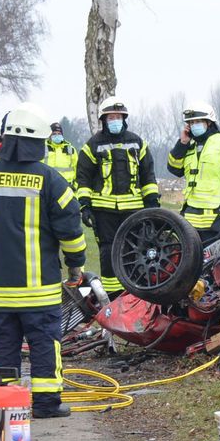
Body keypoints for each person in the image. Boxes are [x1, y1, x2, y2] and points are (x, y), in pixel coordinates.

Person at [0, 102, 87, 419]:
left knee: (3, 343)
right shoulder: (51, 180)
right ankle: (45, 404)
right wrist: (75, 265)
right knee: (44, 344)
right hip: (39, 288)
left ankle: (4, 404)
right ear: (38, 142)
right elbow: (71, 230)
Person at [76, 96, 160, 297]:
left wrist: (152, 204)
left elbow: (148, 175)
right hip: (103, 212)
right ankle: (114, 298)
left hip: (134, 210)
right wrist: (85, 206)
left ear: (124, 118)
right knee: (108, 253)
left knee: (136, 250)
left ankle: (135, 294)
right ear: (104, 120)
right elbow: (83, 178)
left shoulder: (138, 142)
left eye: (119, 116)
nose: (115, 120)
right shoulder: (92, 146)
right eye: (111, 117)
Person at [166, 100, 220, 245]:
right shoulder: (188, 146)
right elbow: (174, 168)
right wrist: (182, 143)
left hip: (216, 217)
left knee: (217, 262)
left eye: (198, 122)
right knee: (190, 262)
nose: (194, 126)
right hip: (191, 218)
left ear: (209, 123)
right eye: (191, 123)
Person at [44, 121, 78, 187]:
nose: (57, 136)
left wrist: (75, 186)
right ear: (49, 135)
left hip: (68, 186)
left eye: (59, 133)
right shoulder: (43, 149)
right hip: (49, 186)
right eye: (54, 134)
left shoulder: (71, 149)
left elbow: (78, 169)